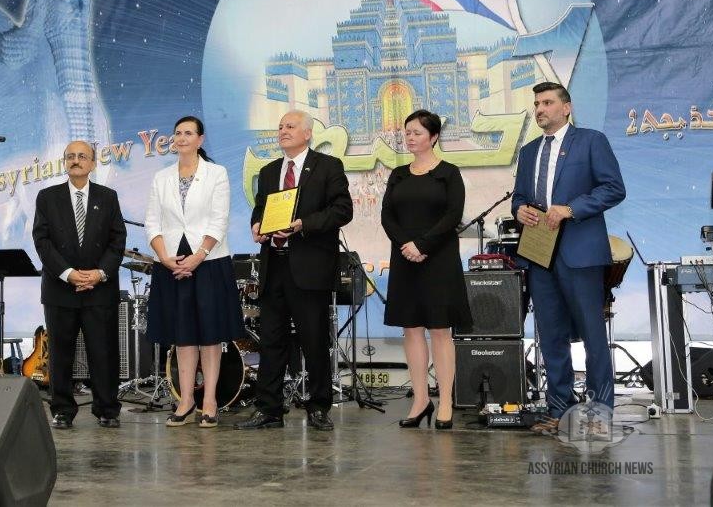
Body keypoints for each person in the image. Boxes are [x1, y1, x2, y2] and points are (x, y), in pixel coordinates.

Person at [512, 81, 625, 434]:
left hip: (580, 253)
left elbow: (613, 189)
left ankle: (599, 415)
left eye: (547, 102)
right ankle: (559, 411)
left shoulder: (591, 141)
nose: (540, 109)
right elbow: (518, 197)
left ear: (566, 107)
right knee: (550, 336)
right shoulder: (529, 151)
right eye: (536, 104)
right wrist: (520, 212)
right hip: (539, 253)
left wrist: (571, 209)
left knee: (593, 335)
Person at [235, 110, 353, 431]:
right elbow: (261, 208)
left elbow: (343, 210)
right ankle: (269, 409)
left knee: (313, 340)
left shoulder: (328, 167)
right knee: (271, 340)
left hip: (310, 268)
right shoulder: (270, 171)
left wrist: (303, 225)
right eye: (280, 126)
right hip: (275, 266)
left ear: (307, 133)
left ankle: (318, 407)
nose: (283, 131)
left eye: (290, 126)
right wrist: (257, 224)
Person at [145, 116, 244, 428]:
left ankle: (210, 400)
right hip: (171, 264)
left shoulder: (216, 173)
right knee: (183, 336)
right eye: (177, 133)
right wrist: (164, 257)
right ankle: (185, 399)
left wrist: (198, 257)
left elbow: (219, 219)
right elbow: (152, 221)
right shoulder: (161, 177)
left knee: (210, 336)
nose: (182, 138)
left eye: (189, 133)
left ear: (201, 139)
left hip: (209, 262)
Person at [381, 110, 470, 430]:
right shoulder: (399, 174)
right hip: (405, 259)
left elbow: (452, 215)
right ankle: (420, 400)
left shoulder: (448, 173)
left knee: (440, 330)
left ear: (433, 137)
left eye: (416, 132)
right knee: (411, 329)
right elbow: (387, 216)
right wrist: (407, 243)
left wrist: (423, 245)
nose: (409, 137)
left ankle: (445, 400)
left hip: (439, 259)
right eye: (406, 132)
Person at [33, 140, 126, 429]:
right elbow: (42, 241)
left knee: (104, 352)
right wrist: (68, 273)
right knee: (60, 354)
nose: (76, 160)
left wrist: (99, 274)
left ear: (93, 163)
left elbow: (117, 241)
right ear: (64, 163)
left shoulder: (108, 197)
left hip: (100, 289)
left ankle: (107, 410)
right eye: (71, 156)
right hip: (61, 289)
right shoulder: (47, 197)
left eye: (82, 156)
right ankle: (62, 410)